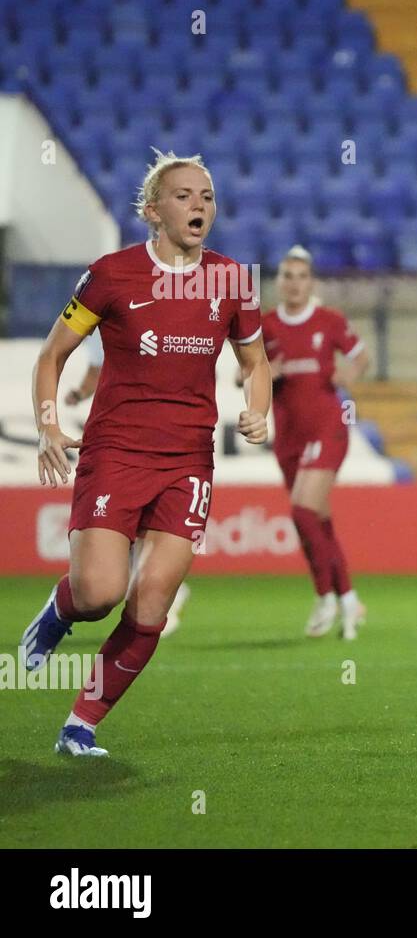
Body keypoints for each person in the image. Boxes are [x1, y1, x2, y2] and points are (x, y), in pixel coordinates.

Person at [21, 150, 271, 757]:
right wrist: (50, 427)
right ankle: (59, 612)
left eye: (207, 197)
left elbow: (256, 362)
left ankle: (81, 725)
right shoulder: (109, 275)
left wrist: (259, 407)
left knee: (152, 600)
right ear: (152, 211)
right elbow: (51, 357)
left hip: (188, 461)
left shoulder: (233, 281)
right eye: (185, 196)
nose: (199, 207)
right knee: (101, 592)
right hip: (115, 452)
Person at [261, 246, 369, 640]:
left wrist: (349, 373)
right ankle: (348, 601)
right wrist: (266, 374)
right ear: (279, 283)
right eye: (287, 276)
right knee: (317, 522)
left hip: (328, 428)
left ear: (311, 282)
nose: (294, 283)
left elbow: (360, 356)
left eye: (301, 276)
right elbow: (246, 377)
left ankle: (324, 596)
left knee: (303, 512)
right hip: (288, 437)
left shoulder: (329, 321)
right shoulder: (266, 326)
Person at [64, 328, 191, 638]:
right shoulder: (99, 319)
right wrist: (80, 393)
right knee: (125, 535)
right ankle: (161, 590)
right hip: (119, 440)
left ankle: (163, 596)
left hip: (164, 436)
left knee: (149, 528)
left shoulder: (156, 309)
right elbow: (97, 369)